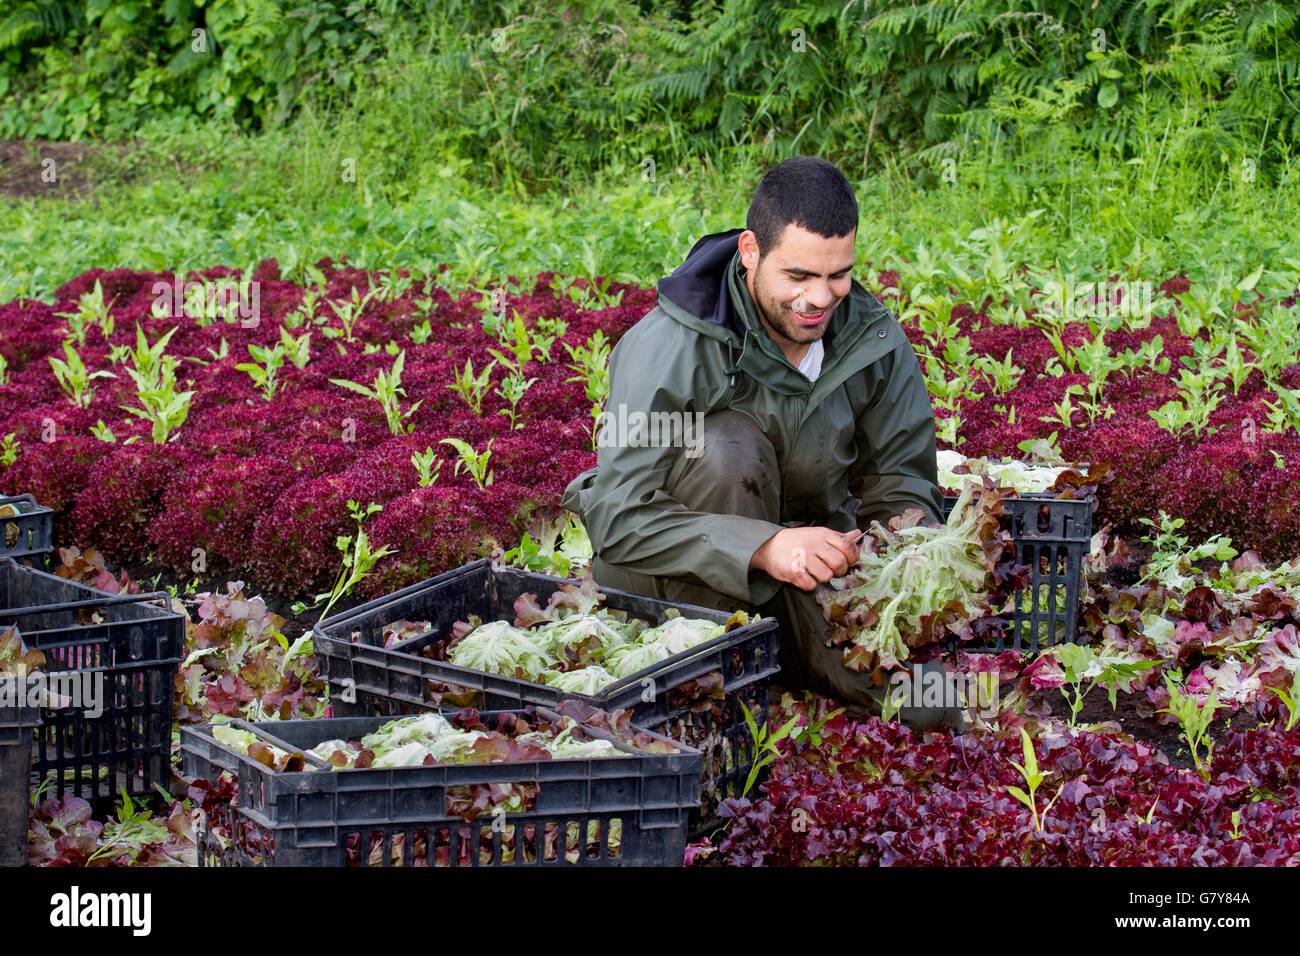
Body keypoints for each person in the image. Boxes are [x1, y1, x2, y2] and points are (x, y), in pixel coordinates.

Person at [561, 156, 963, 731]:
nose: (820, 298)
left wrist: (902, 550)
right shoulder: (672, 348)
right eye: (798, 277)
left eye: (838, 275)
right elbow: (620, 517)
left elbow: (900, 476)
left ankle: (775, 662)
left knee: (932, 704)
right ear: (750, 250)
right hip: (676, 585)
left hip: (803, 574)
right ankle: (717, 679)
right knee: (727, 449)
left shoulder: (872, 340)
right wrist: (761, 547)